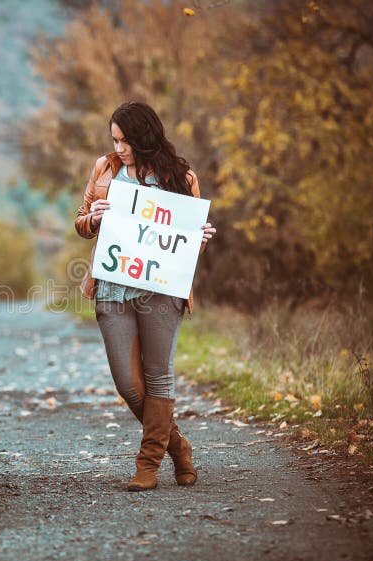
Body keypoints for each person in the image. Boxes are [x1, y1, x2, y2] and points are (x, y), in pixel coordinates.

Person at [75, 101, 216, 491]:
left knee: (158, 378)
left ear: (143, 137)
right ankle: (178, 446)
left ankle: (148, 465)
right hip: (113, 287)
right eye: (114, 140)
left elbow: (185, 244)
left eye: (124, 141)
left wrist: (198, 239)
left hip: (161, 289)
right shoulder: (105, 170)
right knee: (128, 384)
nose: (118, 148)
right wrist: (94, 218)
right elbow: (81, 222)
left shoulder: (181, 176)